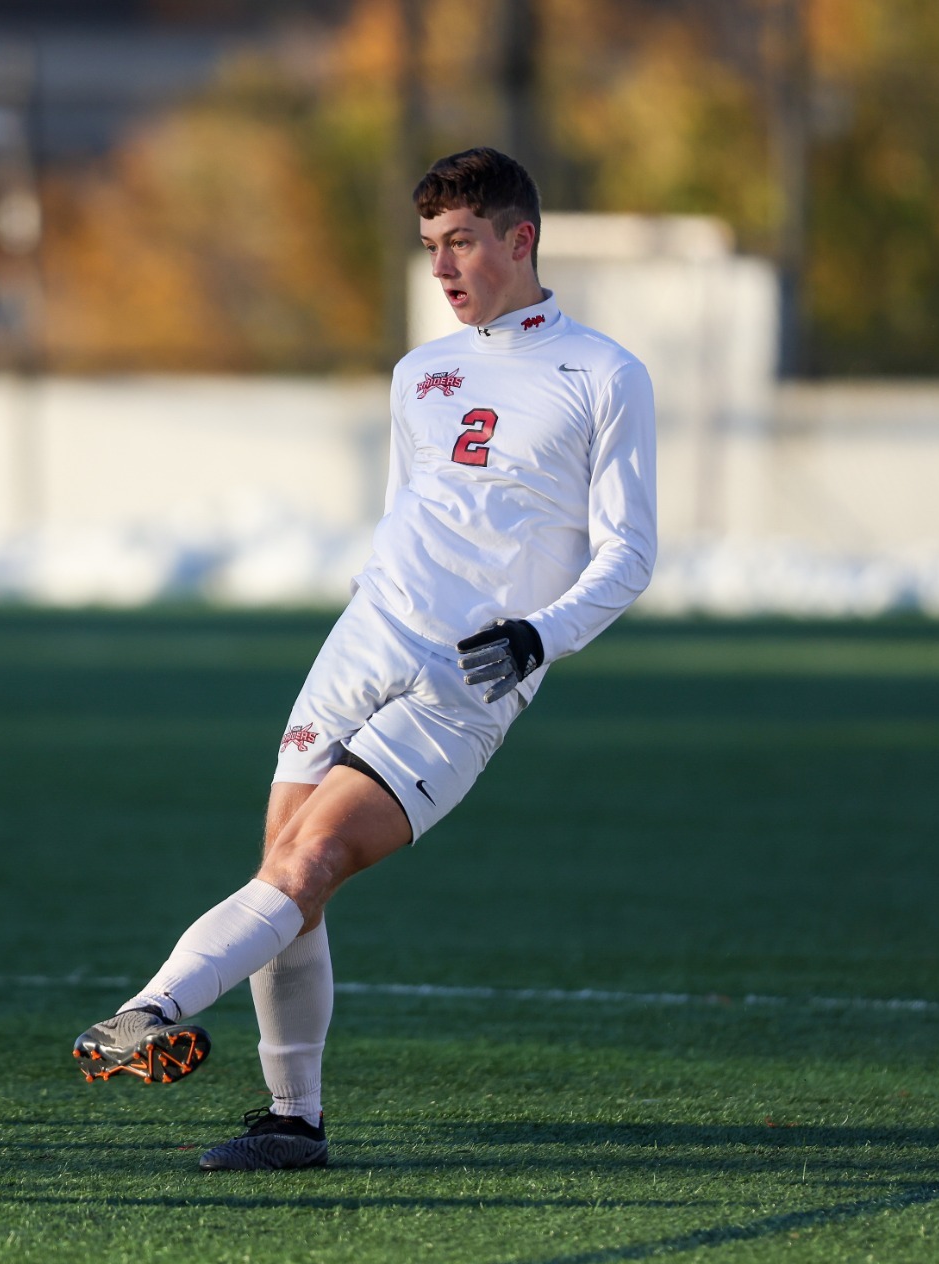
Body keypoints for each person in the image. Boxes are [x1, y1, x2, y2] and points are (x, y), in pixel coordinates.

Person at [71, 147, 657, 1170]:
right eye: (430, 246)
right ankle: (292, 1119)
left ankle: (146, 1008)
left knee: (309, 863)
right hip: (359, 644)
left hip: (466, 678)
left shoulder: (603, 373)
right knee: (284, 882)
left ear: (520, 239)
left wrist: (536, 635)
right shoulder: (418, 373)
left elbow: (630, 552)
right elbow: (413, 513)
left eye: (462, 242)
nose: (442, 267)